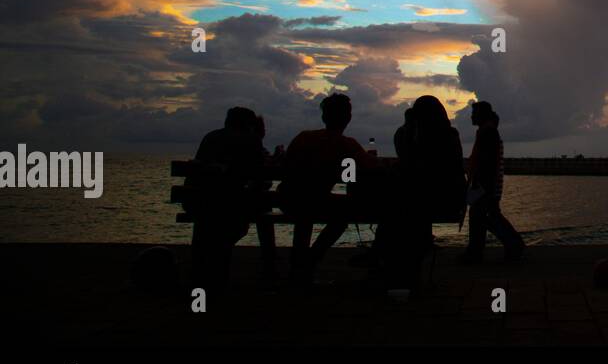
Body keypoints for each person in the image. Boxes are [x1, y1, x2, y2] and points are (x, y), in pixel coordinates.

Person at [279, 93, 375, 286]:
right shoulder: (347, 145)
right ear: (348, 118)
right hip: (315, 200)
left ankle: (300, 266)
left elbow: (286, 166)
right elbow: (368, 168)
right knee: (341, 218)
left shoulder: (303, 138)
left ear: (324, 116)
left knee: (304, 218)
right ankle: (309, 261)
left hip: (287, 198)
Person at [375, 95, 465, 290]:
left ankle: (385, 258)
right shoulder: (450, 135)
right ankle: (401, 263)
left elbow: (412, 169)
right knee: (409, 205)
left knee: (401, 204)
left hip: (431, 200)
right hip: (449, 199)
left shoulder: (413, 137)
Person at [184, 106, 265, 291]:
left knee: (210, 225)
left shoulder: (210, 137)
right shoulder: (251, 141)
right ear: (248, 125)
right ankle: (217, 276)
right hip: (232, 206)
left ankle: (203, 277)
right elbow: (258, 176)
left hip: (201, 203)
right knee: (231, 224)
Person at [460, 100, 525, 264]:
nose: (471, 117)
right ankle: (478, 251)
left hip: (484, 186)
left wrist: (481, 187)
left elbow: (487, 164)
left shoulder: (488, 133)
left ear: (481, 115)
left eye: (474, 114)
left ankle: (512, 246)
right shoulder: (487, 131)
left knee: (484, 218)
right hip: (485, 185)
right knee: (485, 218)